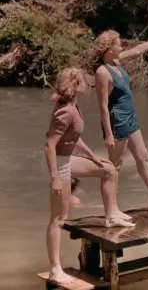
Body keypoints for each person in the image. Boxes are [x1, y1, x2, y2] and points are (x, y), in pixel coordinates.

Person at [44, 67, 134, 286]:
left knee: (108, 169)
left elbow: (73, 137)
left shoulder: (74, 106)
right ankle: (55, 269)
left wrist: (94, 158)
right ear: (75, 85)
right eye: (84, 82)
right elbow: (49, 144)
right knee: (58, 219)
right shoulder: (66, 111)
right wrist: (56, 177)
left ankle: (111, 215)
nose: (88, 84)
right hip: (60, 164)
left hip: (68, 158)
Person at [91, 29, 148, 211]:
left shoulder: (116, 61)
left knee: (143, 157)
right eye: (118, 43)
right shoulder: (102, 72)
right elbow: (103, 106)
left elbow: (138, 50)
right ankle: (112, 208)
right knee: (114, 166)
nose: (122, 45)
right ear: (109, 47)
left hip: (130, 117)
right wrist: (109, 134)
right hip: (117, 121)